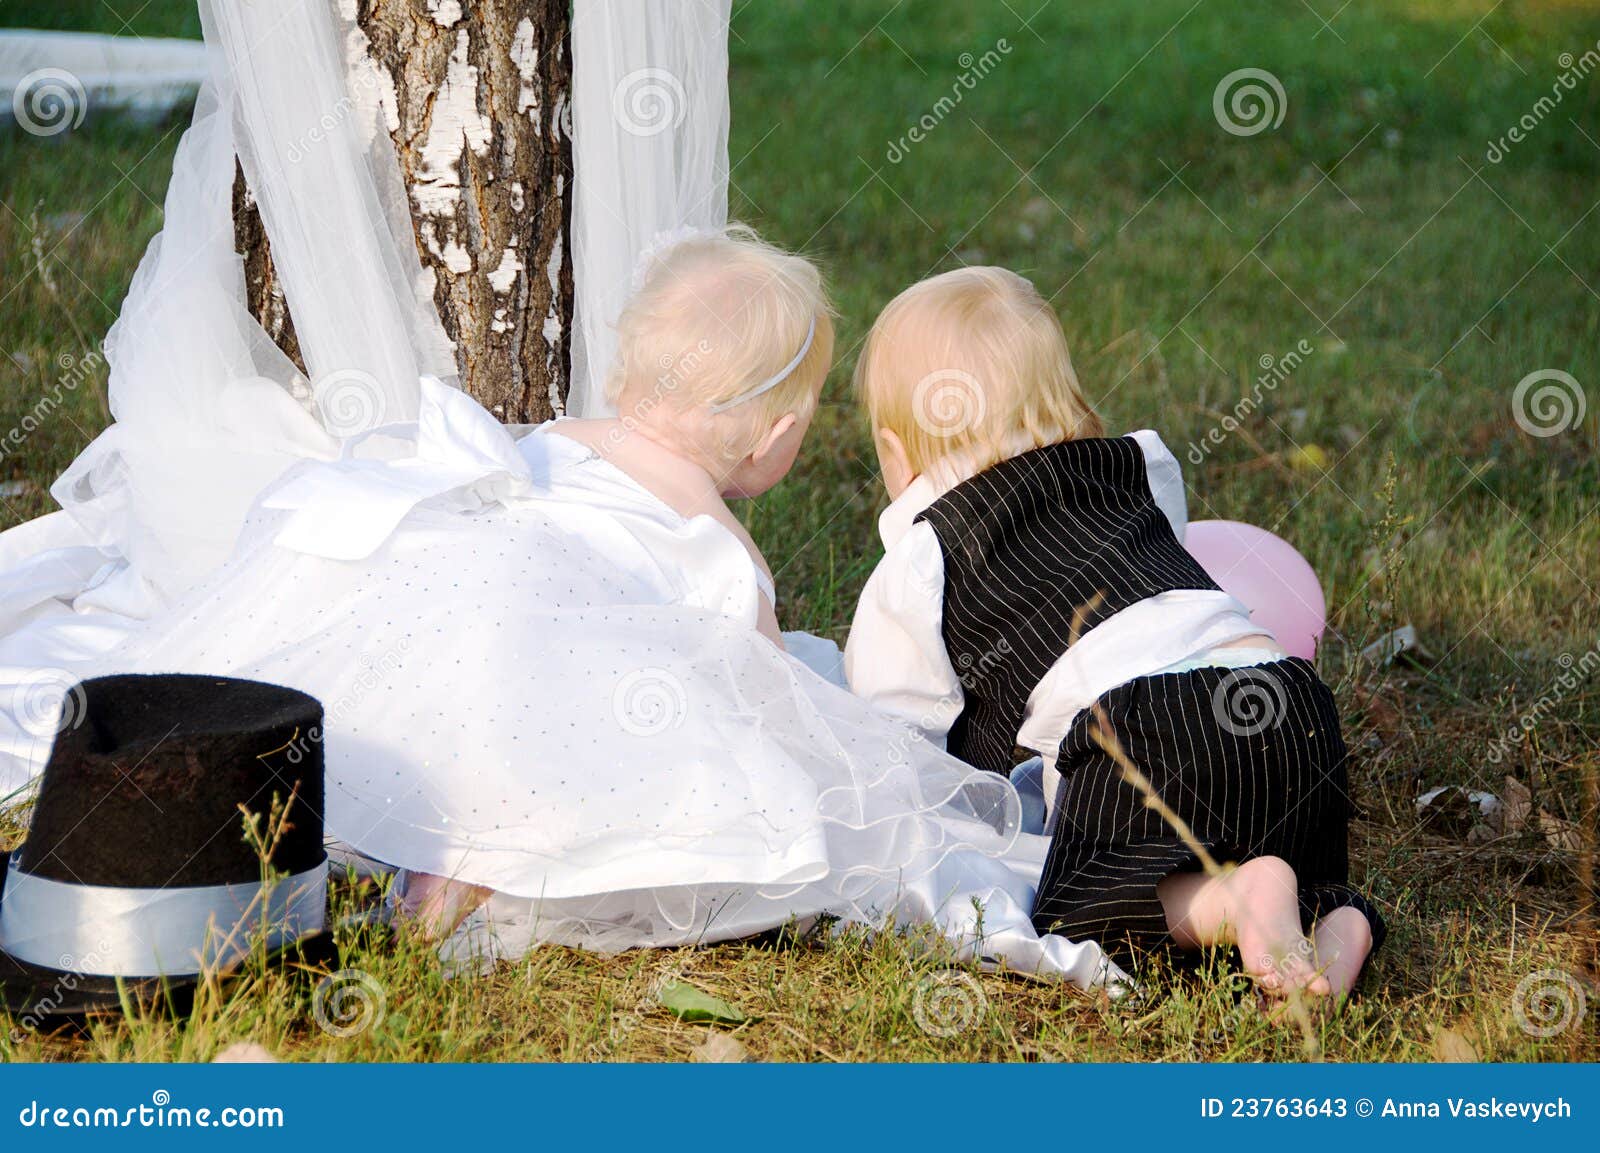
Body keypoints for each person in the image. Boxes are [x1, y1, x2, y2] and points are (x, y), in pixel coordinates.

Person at [845, 266, 1383, 996]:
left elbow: (896, 745)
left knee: (1074, 901)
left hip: (1149, 729)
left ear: (893, 451)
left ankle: (1237, 898)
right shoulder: (1140, 465)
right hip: (1290, 703)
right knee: (1270, 827)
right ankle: (1332, 917)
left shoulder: (922, 555)